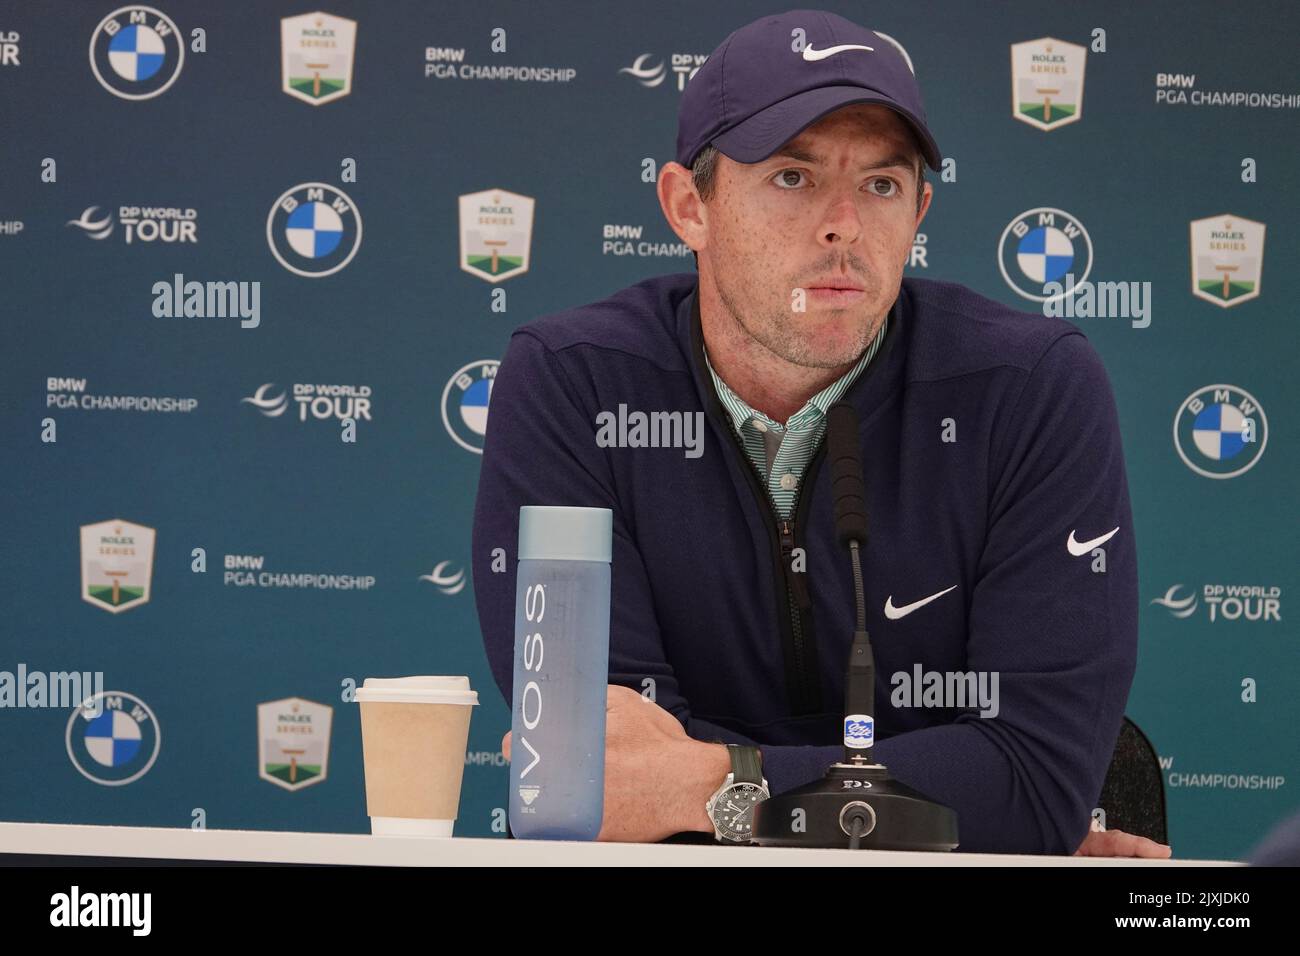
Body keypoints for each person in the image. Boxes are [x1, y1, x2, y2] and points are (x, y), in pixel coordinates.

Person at [473, 9, 1165, 856]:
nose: (844, 225)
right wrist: (931, 806)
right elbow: (601, 783)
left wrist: (711, 783)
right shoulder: (574, 383)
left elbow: (1029, 785)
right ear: (689, 205)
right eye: (792, 178)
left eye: (882, 184)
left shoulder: (1030, 389)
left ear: (919, 212)